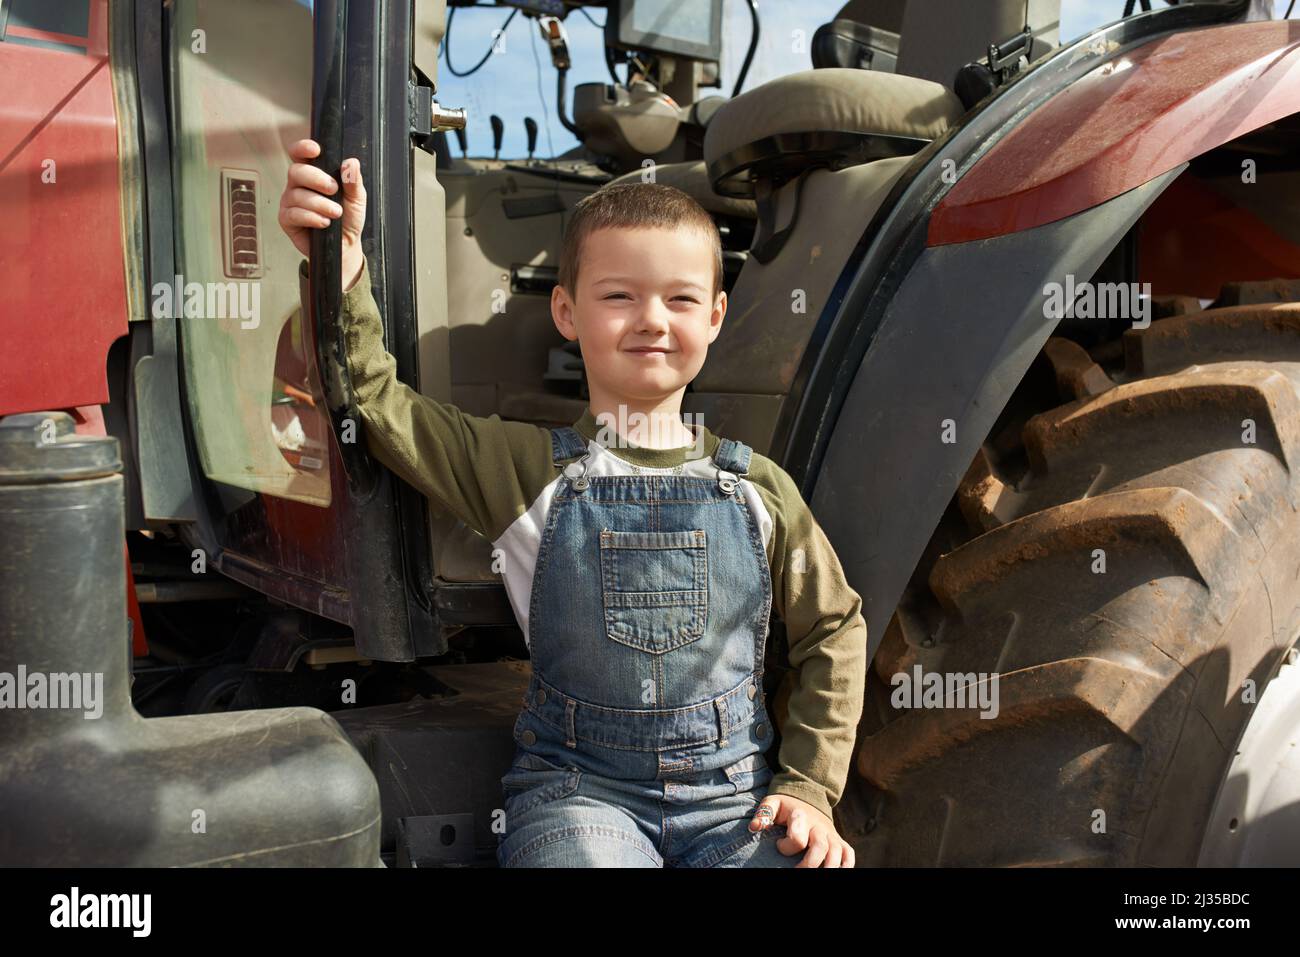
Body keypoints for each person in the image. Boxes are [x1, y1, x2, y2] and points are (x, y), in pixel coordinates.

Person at [279, 139, 867, 867]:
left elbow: (833, 627)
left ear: (716, 316)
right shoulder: (523, 469)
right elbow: (374, 399)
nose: (652, 319)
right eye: (619, 295)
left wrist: (810, 787)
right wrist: (338, 268)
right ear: (565, 310)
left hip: (737, 802)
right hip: (582, 797)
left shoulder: (761, 490)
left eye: (680, 298)